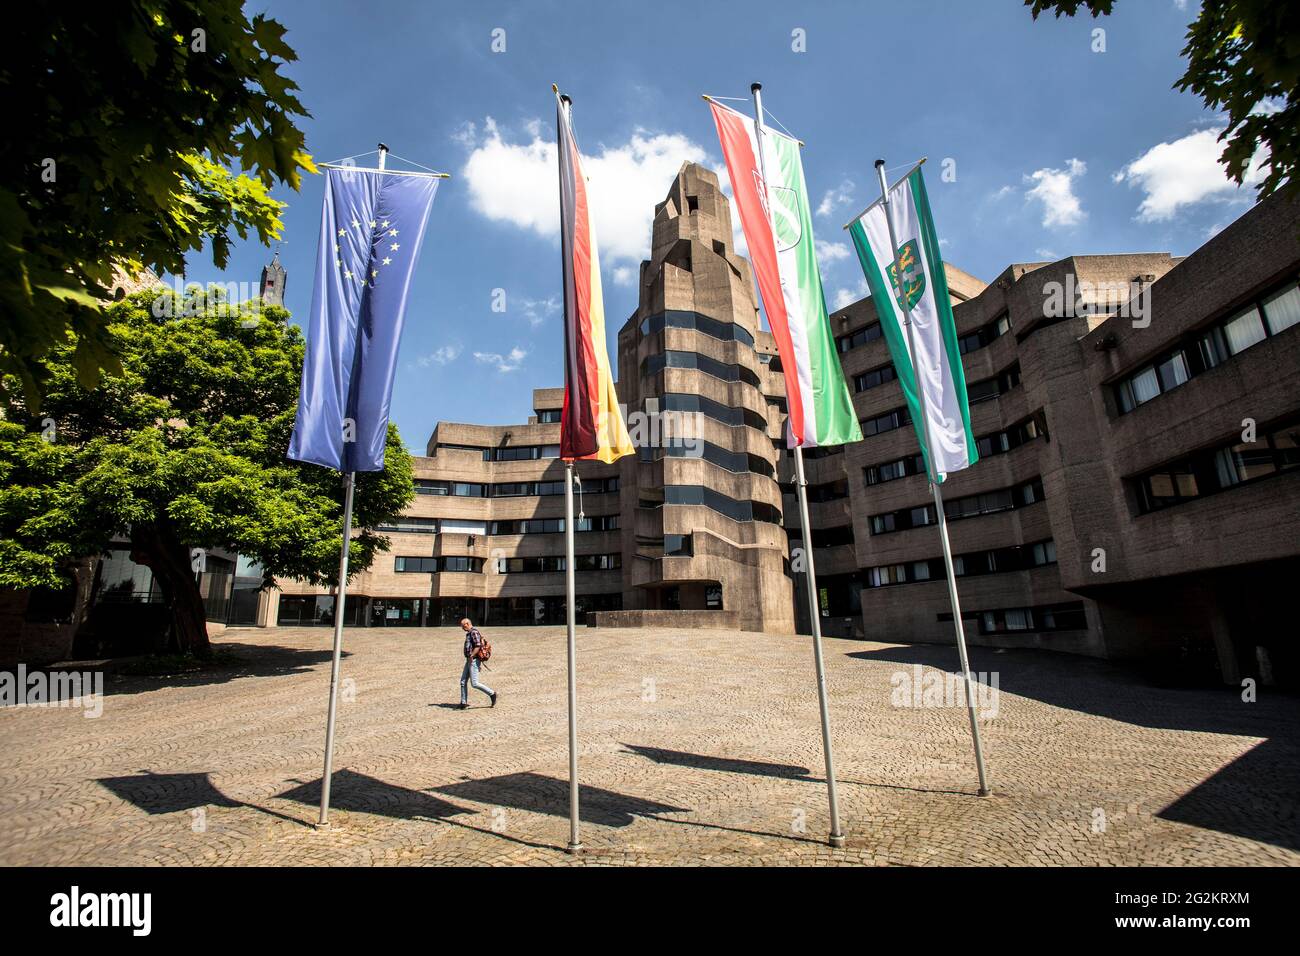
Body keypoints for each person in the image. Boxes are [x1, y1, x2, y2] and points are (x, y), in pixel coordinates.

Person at [458, 618, 497, 709]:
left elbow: (478, 645)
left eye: (463, 626)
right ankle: (463, 702)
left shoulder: (474, 632)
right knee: (463, 681)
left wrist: (472, 656)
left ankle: (492, 693)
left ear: (467, 624)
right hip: (469, 659)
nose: (462, 628)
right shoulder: (469, 633)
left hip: (473, 659)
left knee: (474, 683)